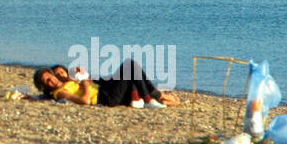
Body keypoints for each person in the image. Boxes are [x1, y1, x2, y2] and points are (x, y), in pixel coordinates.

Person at [33, 59, 180, 107]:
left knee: (132, 73)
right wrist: (85, 85)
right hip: (105, 97)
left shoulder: (67, 82)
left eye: (50, 76)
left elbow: (81, 79)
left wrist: (82, 77)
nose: (52, 79)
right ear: (45, 85)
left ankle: (154, 98)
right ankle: (152, 98)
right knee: (129, 66)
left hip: (105, 89)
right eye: (47, 80)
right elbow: (84, 101)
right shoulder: (60, 93)